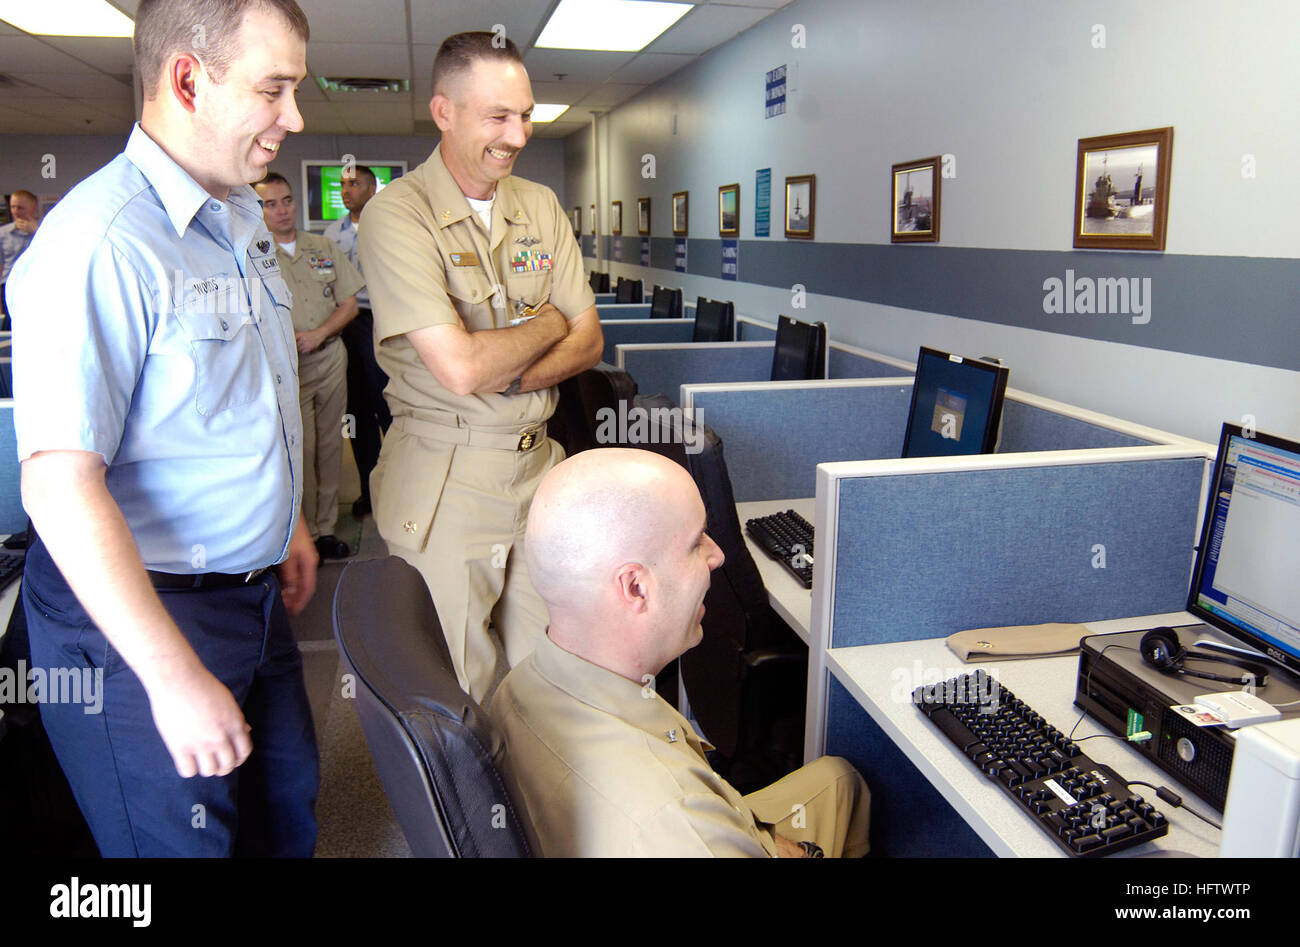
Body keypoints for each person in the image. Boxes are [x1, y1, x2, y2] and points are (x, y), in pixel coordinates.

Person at [6, 0, 320, 857]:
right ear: (188, 78)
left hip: (249, 597)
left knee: (283, 816)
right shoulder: (100, 242)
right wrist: (172, 676)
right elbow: (59, 485)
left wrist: (282, 516)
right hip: (139, 628)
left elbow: (237, 393)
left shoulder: (236, 217)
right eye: (275, 90)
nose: (294, 117)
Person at [358, 31, 603, 702]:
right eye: (498, 115)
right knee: (461, 693)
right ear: (444, 111)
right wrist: (552, 318)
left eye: (525, 114)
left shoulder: (541, 207)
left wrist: (520, 356)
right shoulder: (396, 215)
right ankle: (477, 815)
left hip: (540, 470)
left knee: (552, 677)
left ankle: (535, 811)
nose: (518, 133)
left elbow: (589, 341)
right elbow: (462, 368)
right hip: (450, 477)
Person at [490, 448, 871, 857]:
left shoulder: (524, 683)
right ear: (635, 587)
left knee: (839, 779)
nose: (717, 555)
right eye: (696, 543)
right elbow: (685, 829)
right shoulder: (682, 825)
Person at [256, 170, 363, 560]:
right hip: (287, 368)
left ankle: (325, 529)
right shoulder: (253, 255)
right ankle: (297, 531)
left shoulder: (323, 246)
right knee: (300, 448)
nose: (282, 210)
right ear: (258, 209)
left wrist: (319, 334)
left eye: (287, 201)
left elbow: (349, 304)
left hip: (329, 355)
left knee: (332, 444)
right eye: (270, 203)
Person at [323, 165, 391, 517]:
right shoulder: (331, 234)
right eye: (343, 185)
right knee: (358, 413)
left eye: (355, 184)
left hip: (385, 325)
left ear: (372, 188)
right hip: (348, 325)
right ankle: (369, 491)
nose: (347, 190)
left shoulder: (392, 225)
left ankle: (398, 489)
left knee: (391, 410)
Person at [0, 189, 39, 320]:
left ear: (33, 208)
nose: (16, 211)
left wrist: (36, 231)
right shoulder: (2, 234)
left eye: (21, 208)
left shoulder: (46, 230)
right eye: (13, 207)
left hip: (36, 284)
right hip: (8, 286)